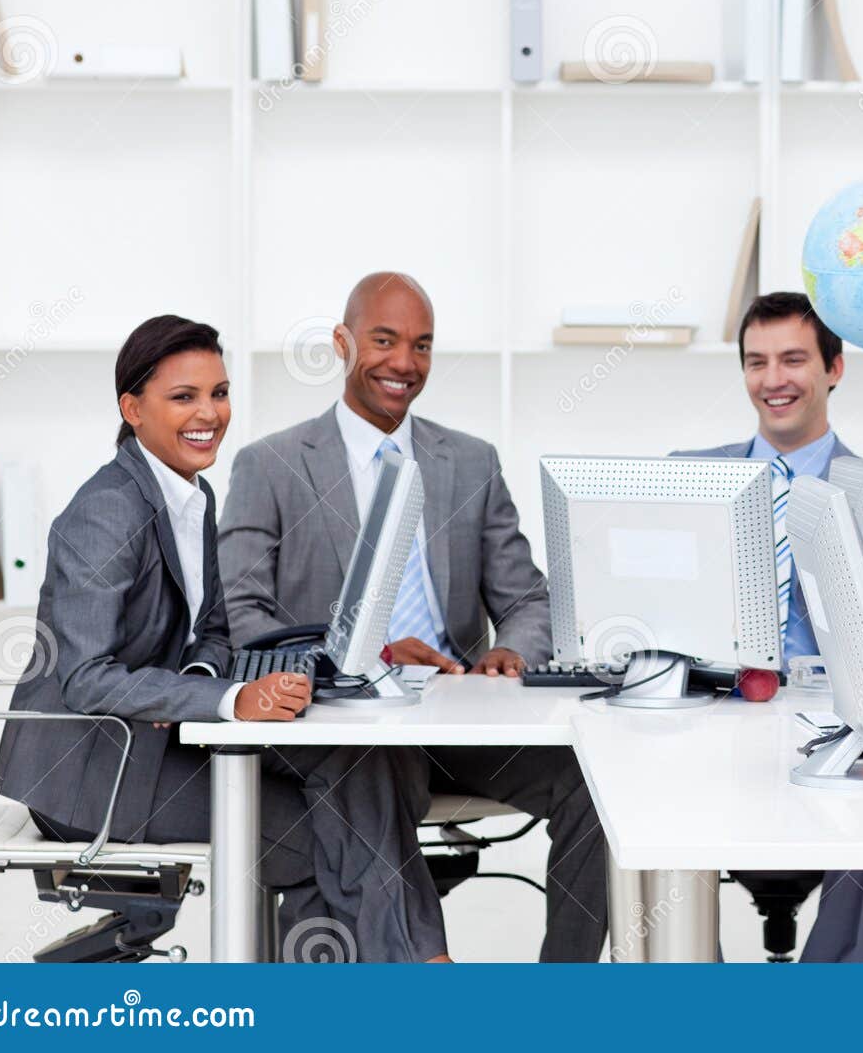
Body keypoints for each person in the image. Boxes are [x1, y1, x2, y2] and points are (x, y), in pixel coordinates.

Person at [0, 315, 448, 962]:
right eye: (184, 397)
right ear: (133, 409)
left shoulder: (193, 494)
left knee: (355, 762)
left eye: (220, 393)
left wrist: (207, 682)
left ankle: (403, 975)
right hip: (93, 776)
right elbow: (86, 677)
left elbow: (210, 630)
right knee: (329, 834)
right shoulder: (107, 510)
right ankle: (416, 974)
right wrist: (231, 701)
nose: (209, 413)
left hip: (157, 744)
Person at [217, 273, 607, 962]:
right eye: (384, 340)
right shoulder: (269, 465)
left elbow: (526, 599)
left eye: (421, 345)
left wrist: (511, 652)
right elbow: (244, 619)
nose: (404, 362)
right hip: (346, 732)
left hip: (460, 721)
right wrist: (368, 660)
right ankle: (423, 972)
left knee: (597, 786)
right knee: (368, 774)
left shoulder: (471, 462)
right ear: (342, 343)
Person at [674, 291, 863, 962]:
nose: (773, 379)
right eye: (757, 362)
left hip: (834, 728)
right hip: (716, 724)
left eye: (793, 359)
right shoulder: (692, 476)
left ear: (834, 368)